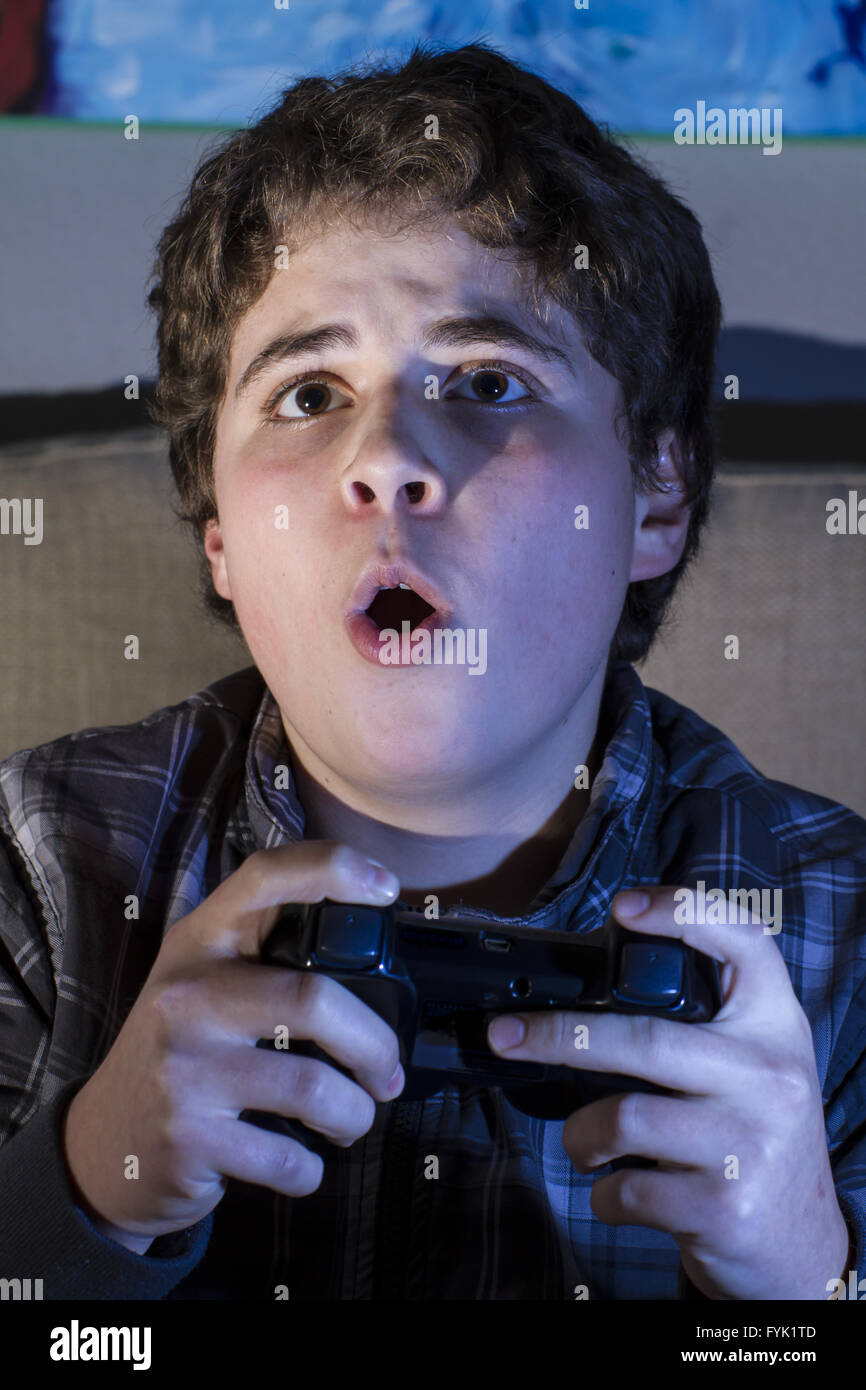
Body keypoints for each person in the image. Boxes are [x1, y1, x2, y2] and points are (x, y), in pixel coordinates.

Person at [0, 40, 863, 1302]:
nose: (389, 456)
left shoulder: (846, 938)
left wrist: (802, 1282)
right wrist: (81, 1196)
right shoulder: (34, 870)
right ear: (220, 536)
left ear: (654, 497)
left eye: (487, 380)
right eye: (306, 394)